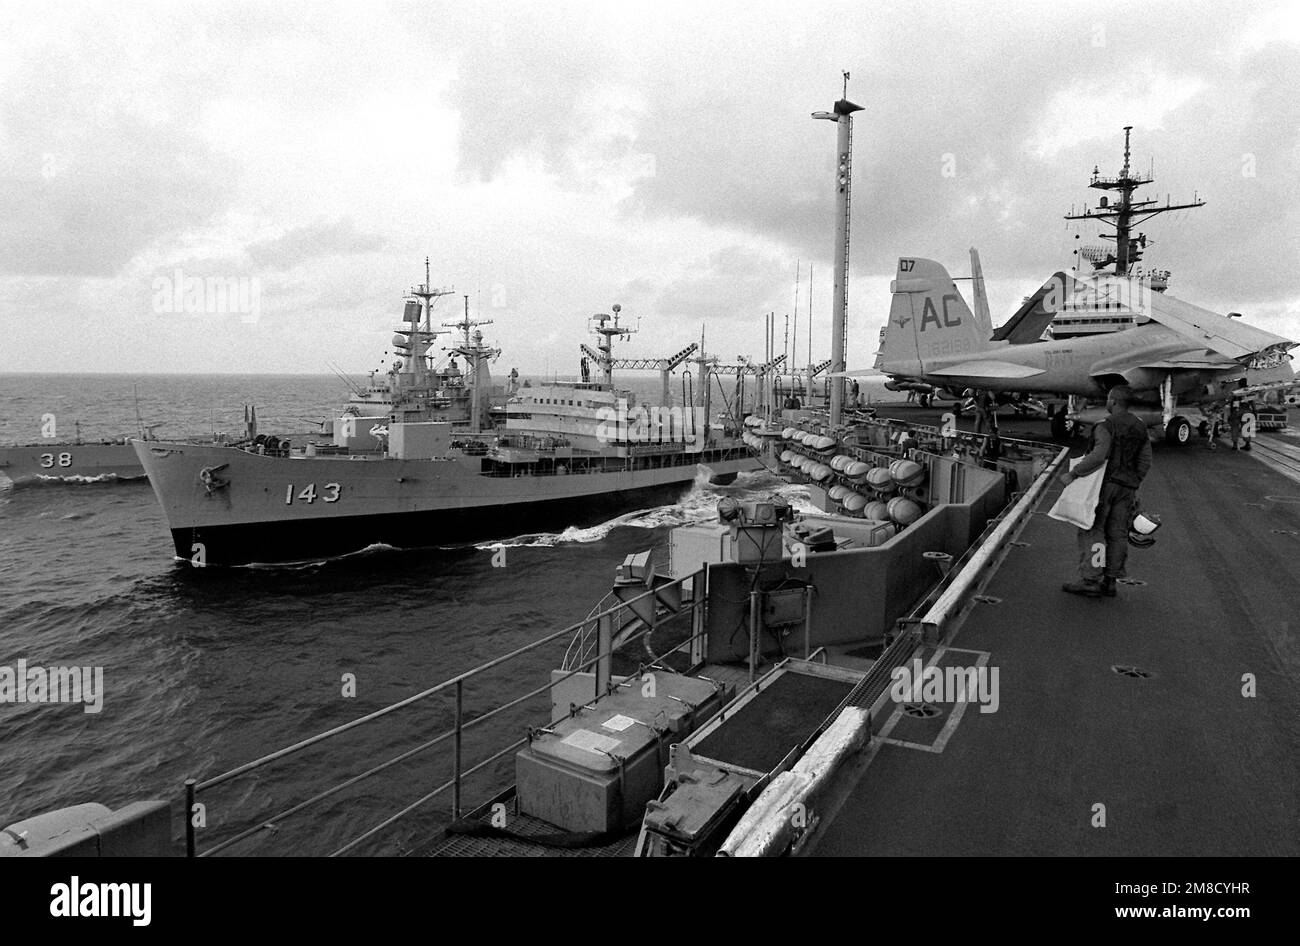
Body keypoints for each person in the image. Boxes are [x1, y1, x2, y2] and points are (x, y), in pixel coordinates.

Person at [1059, 385, 1153, 598]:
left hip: (1105, 486)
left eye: (1109, 399)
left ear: (1114, 401)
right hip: (1127, 488)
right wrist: (1134, 481)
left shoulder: (1106, 426)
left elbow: (1099, 455)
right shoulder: (1140, 426)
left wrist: (1074, 474)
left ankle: (1092, 579)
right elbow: (1146, 460)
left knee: (1094, 531)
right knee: (1118, 533)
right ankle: (1110, 580)